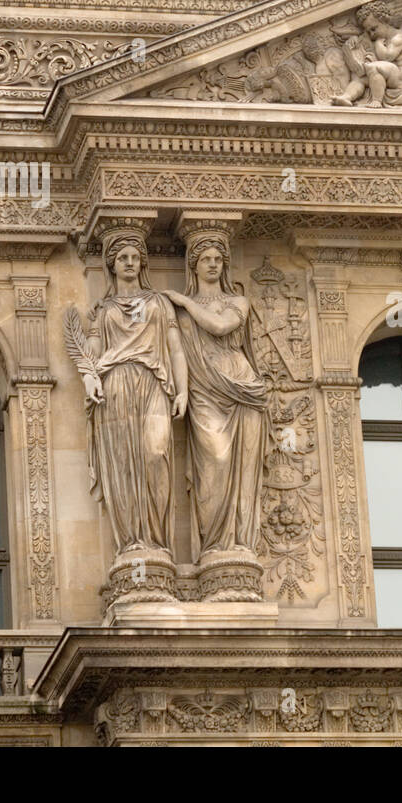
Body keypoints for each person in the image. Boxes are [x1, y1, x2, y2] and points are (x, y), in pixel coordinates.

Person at [162, 231, 270, 560]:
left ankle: (237, 545)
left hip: (242, 389)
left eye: (218, 259)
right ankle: (214, 547)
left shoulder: (236, 302)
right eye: (206, 259)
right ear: (193, 265)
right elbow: (173, 351)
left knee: (244, 472)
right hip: (204, 392)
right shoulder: (177, 314)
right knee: (215, 463)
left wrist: (184, 302)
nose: (212, 264)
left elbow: (221, 327)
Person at [82, 231, 187, 555]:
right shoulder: (104, 309)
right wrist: (89, 377)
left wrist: (182, 391)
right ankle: (133, 543)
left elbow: (176, 349)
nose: (129, 262)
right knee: (123, 463)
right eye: (122, 258)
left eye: (134, 257)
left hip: (153, 381)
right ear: (112, 265)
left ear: (142, 262)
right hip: (115, 384)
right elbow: (94, 350)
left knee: (156, 455)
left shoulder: (159, 303)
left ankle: (156, 540)